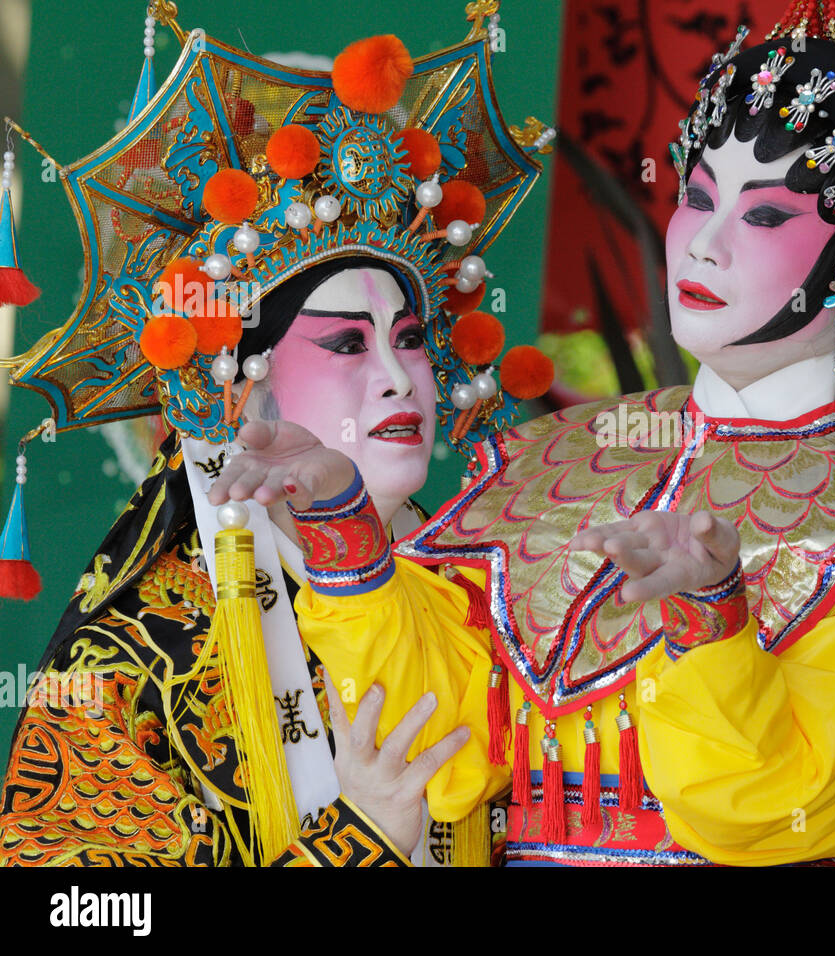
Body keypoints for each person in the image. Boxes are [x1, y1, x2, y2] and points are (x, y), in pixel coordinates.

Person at [240, 1, 835, 865]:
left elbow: (758, 809)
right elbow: (437, 750)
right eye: (698, 196)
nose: (703, 244)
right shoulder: (559, 456)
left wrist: (712, 620)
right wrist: (342, 523)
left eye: (764, 215)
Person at [0, 12, 559, 865]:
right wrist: (356, 839)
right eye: (345, 343)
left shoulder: (497, 597)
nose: (396, 377)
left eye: (411, 337)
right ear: (241, 381)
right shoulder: (133, 652)